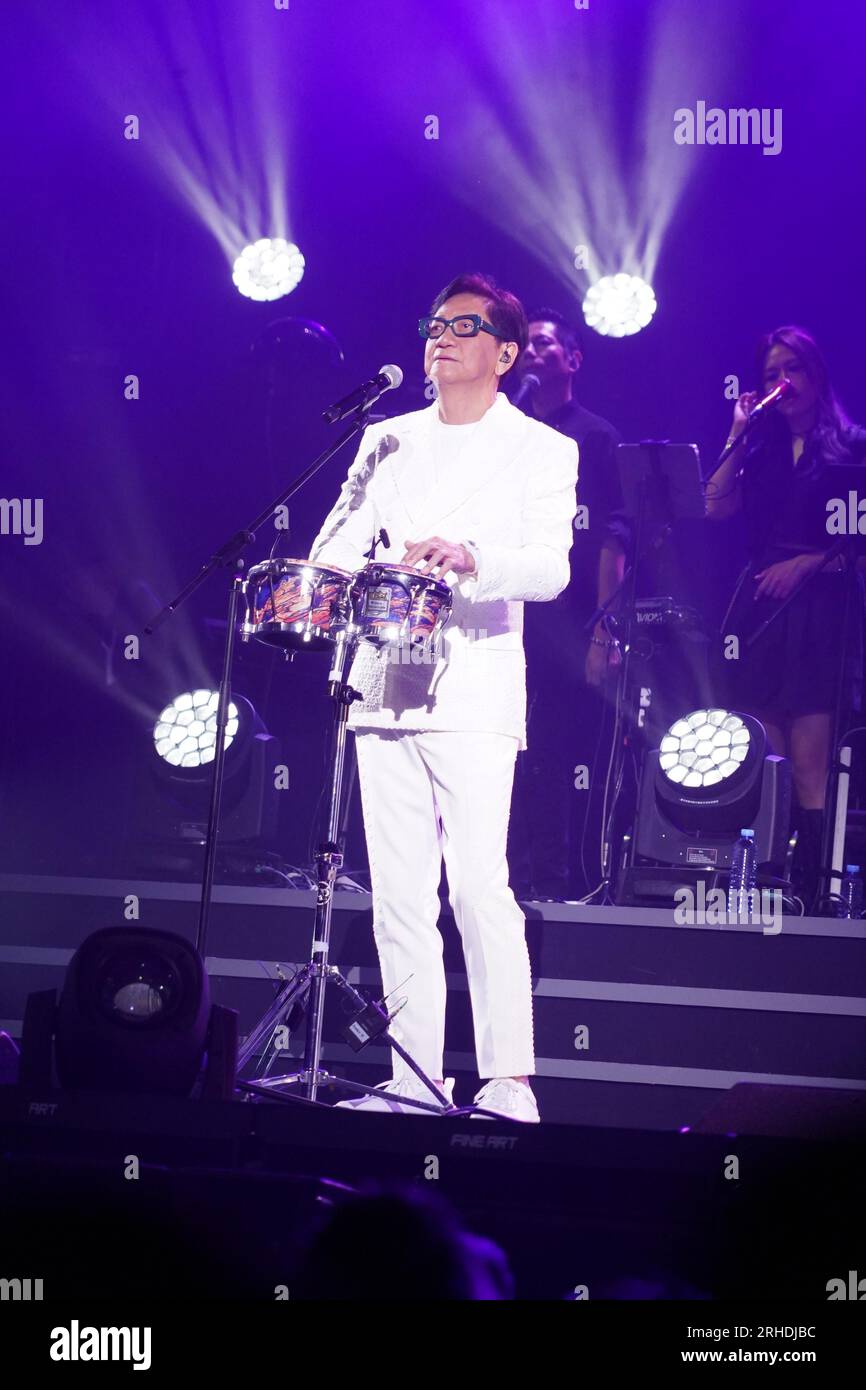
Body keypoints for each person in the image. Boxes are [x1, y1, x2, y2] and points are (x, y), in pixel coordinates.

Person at [308, 273, 578, 1120]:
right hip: (383, 685)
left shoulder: (541, 448)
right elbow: (339, 541)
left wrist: (468, 556)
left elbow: (550, 568)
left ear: (504, 353)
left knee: (477, 886)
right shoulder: (387, 438)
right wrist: (318, 582)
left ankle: (508, 1081)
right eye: (435, 325)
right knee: (396, 892)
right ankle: (412, 1082)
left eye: (466, 327)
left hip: (472, 684)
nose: (442, 338)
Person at [706, 325, 866, 909]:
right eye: (771, 373)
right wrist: (738, 430)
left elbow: (858, 540)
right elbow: (713, 506)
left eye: (792, 369)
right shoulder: (762, 448)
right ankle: (765, 884)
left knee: (809, 763)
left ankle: (817, 893)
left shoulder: (852, 446)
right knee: (767, 760)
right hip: (761, 610)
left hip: (820, 609)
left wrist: (806, 564)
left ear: (815, 374)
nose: (782, 383)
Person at [507, 309, 623, 898]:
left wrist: (602, 629)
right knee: (499, 748)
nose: (532, 351)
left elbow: (613, 536)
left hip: (567, 618)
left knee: (549, 749)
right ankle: (502, 873)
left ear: (574, 359)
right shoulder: (504, 429)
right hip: (504, 613)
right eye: (524, 343)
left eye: (545, 343)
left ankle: (553, 879)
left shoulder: (596, 435)